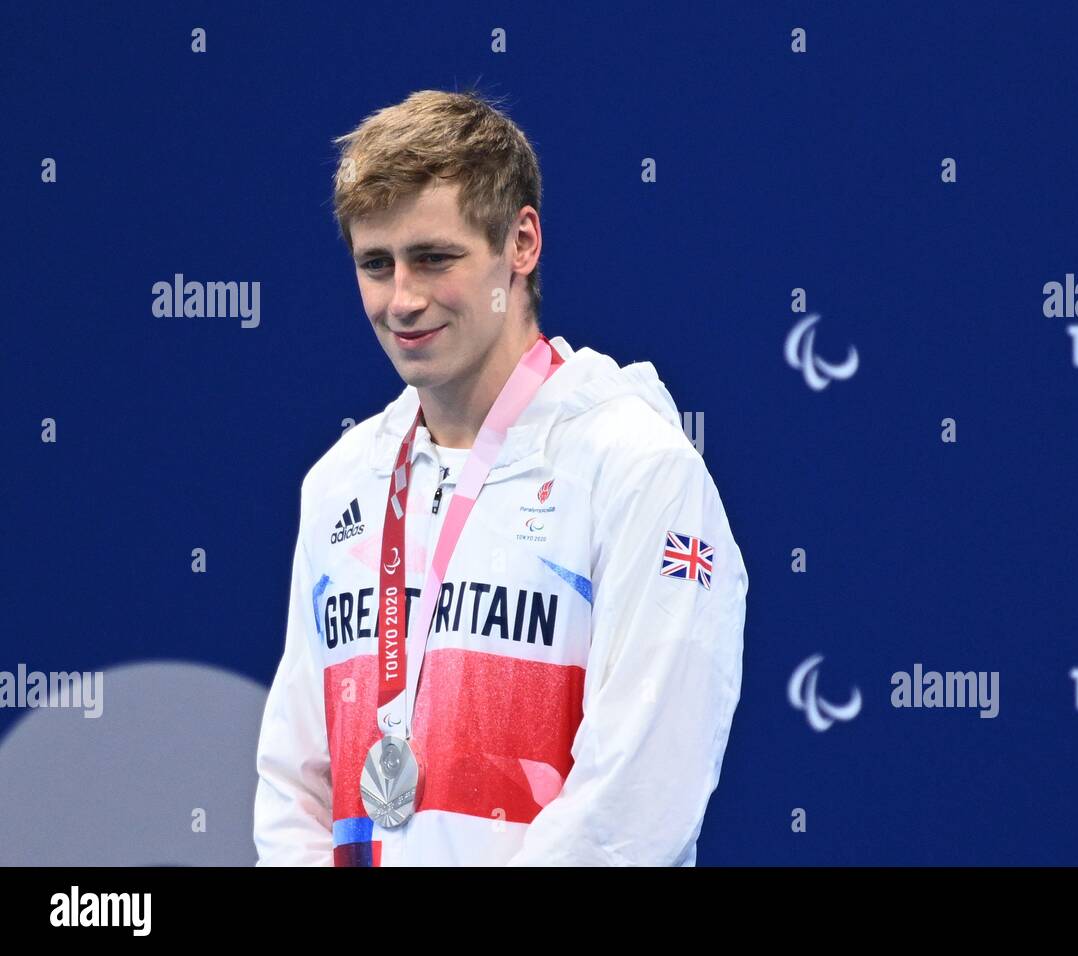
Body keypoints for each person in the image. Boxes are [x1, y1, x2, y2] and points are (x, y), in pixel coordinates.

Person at [252, 89, 748, 866]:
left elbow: (638, 803)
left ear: (521, 243)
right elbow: (294, 787)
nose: (403, 300)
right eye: (375, 265)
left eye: (435, 258)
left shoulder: (636, 470)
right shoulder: (340, 484)